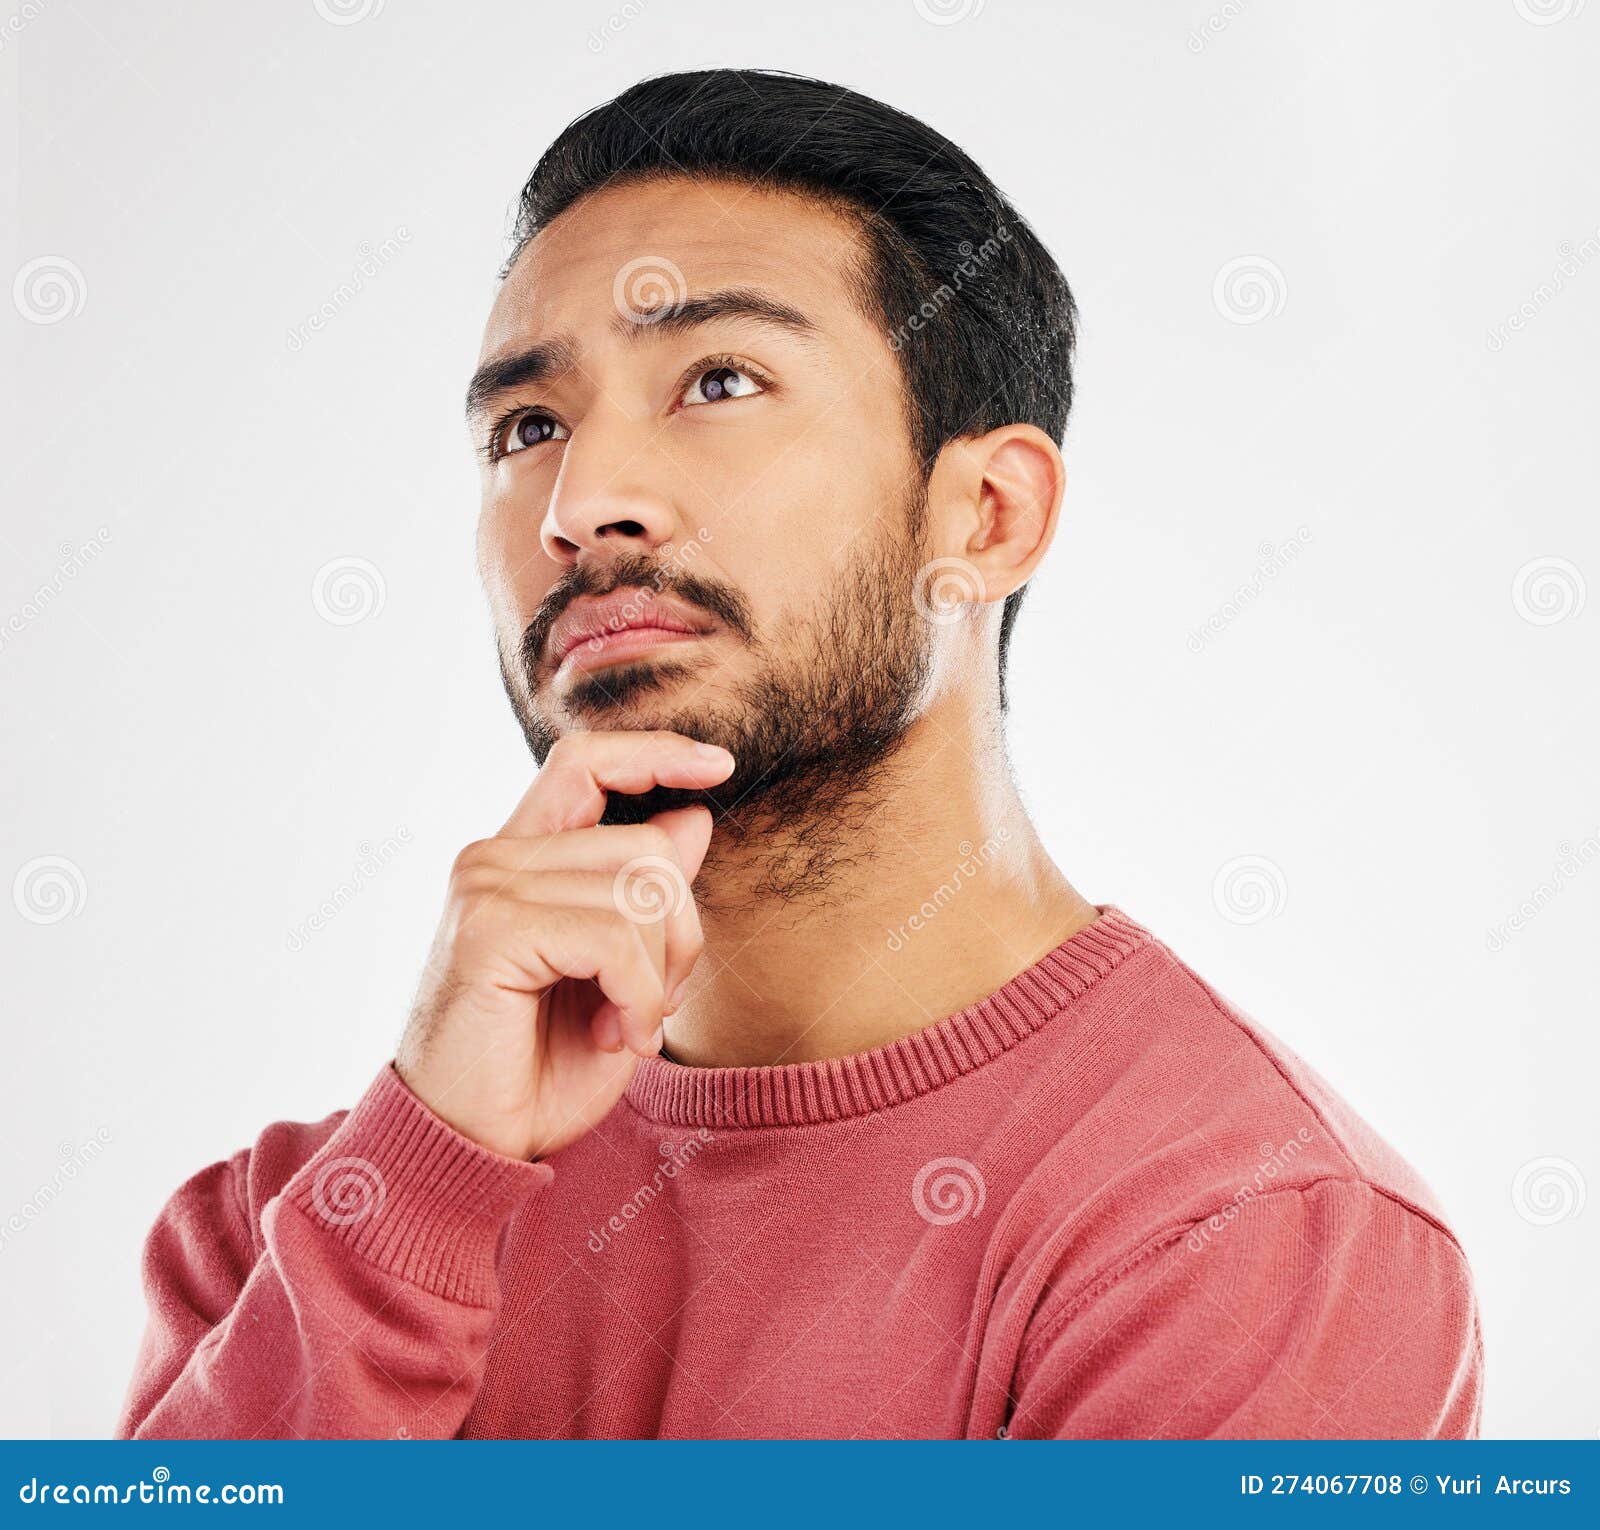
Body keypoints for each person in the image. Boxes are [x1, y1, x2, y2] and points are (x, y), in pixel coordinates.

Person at [118, 69, 1480, 1440]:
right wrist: (419, 1181)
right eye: (530, 428)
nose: (585, 505)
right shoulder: (285, 1241)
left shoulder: (1244, 1239)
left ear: (989, 516)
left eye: (718, 380)